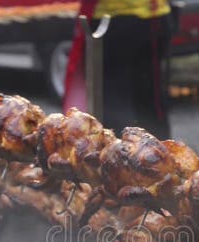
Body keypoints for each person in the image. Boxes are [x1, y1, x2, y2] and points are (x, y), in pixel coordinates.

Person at [63, 0, 173, 139]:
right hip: (121, 20)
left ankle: (156, 153)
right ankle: (120, 153)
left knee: (139, 99)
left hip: (140, 18)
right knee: (119, 99)